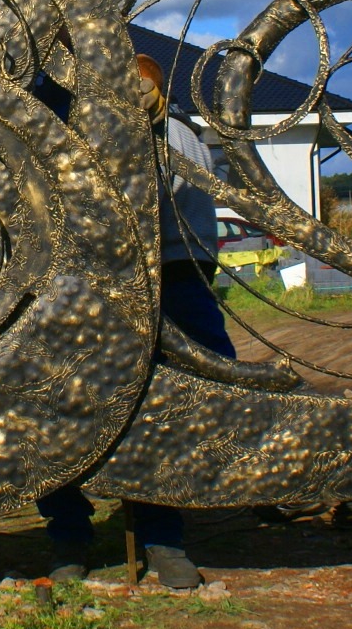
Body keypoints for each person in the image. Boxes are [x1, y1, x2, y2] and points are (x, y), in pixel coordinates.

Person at [35, 53, 236, 590]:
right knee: (57, 399)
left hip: (172, 277)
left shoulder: (173, 133)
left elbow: (161, 201)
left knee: (172, 399)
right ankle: (68, 531)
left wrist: (134, 143)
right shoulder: (66, 130)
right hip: (81, 280)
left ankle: (162, 534)